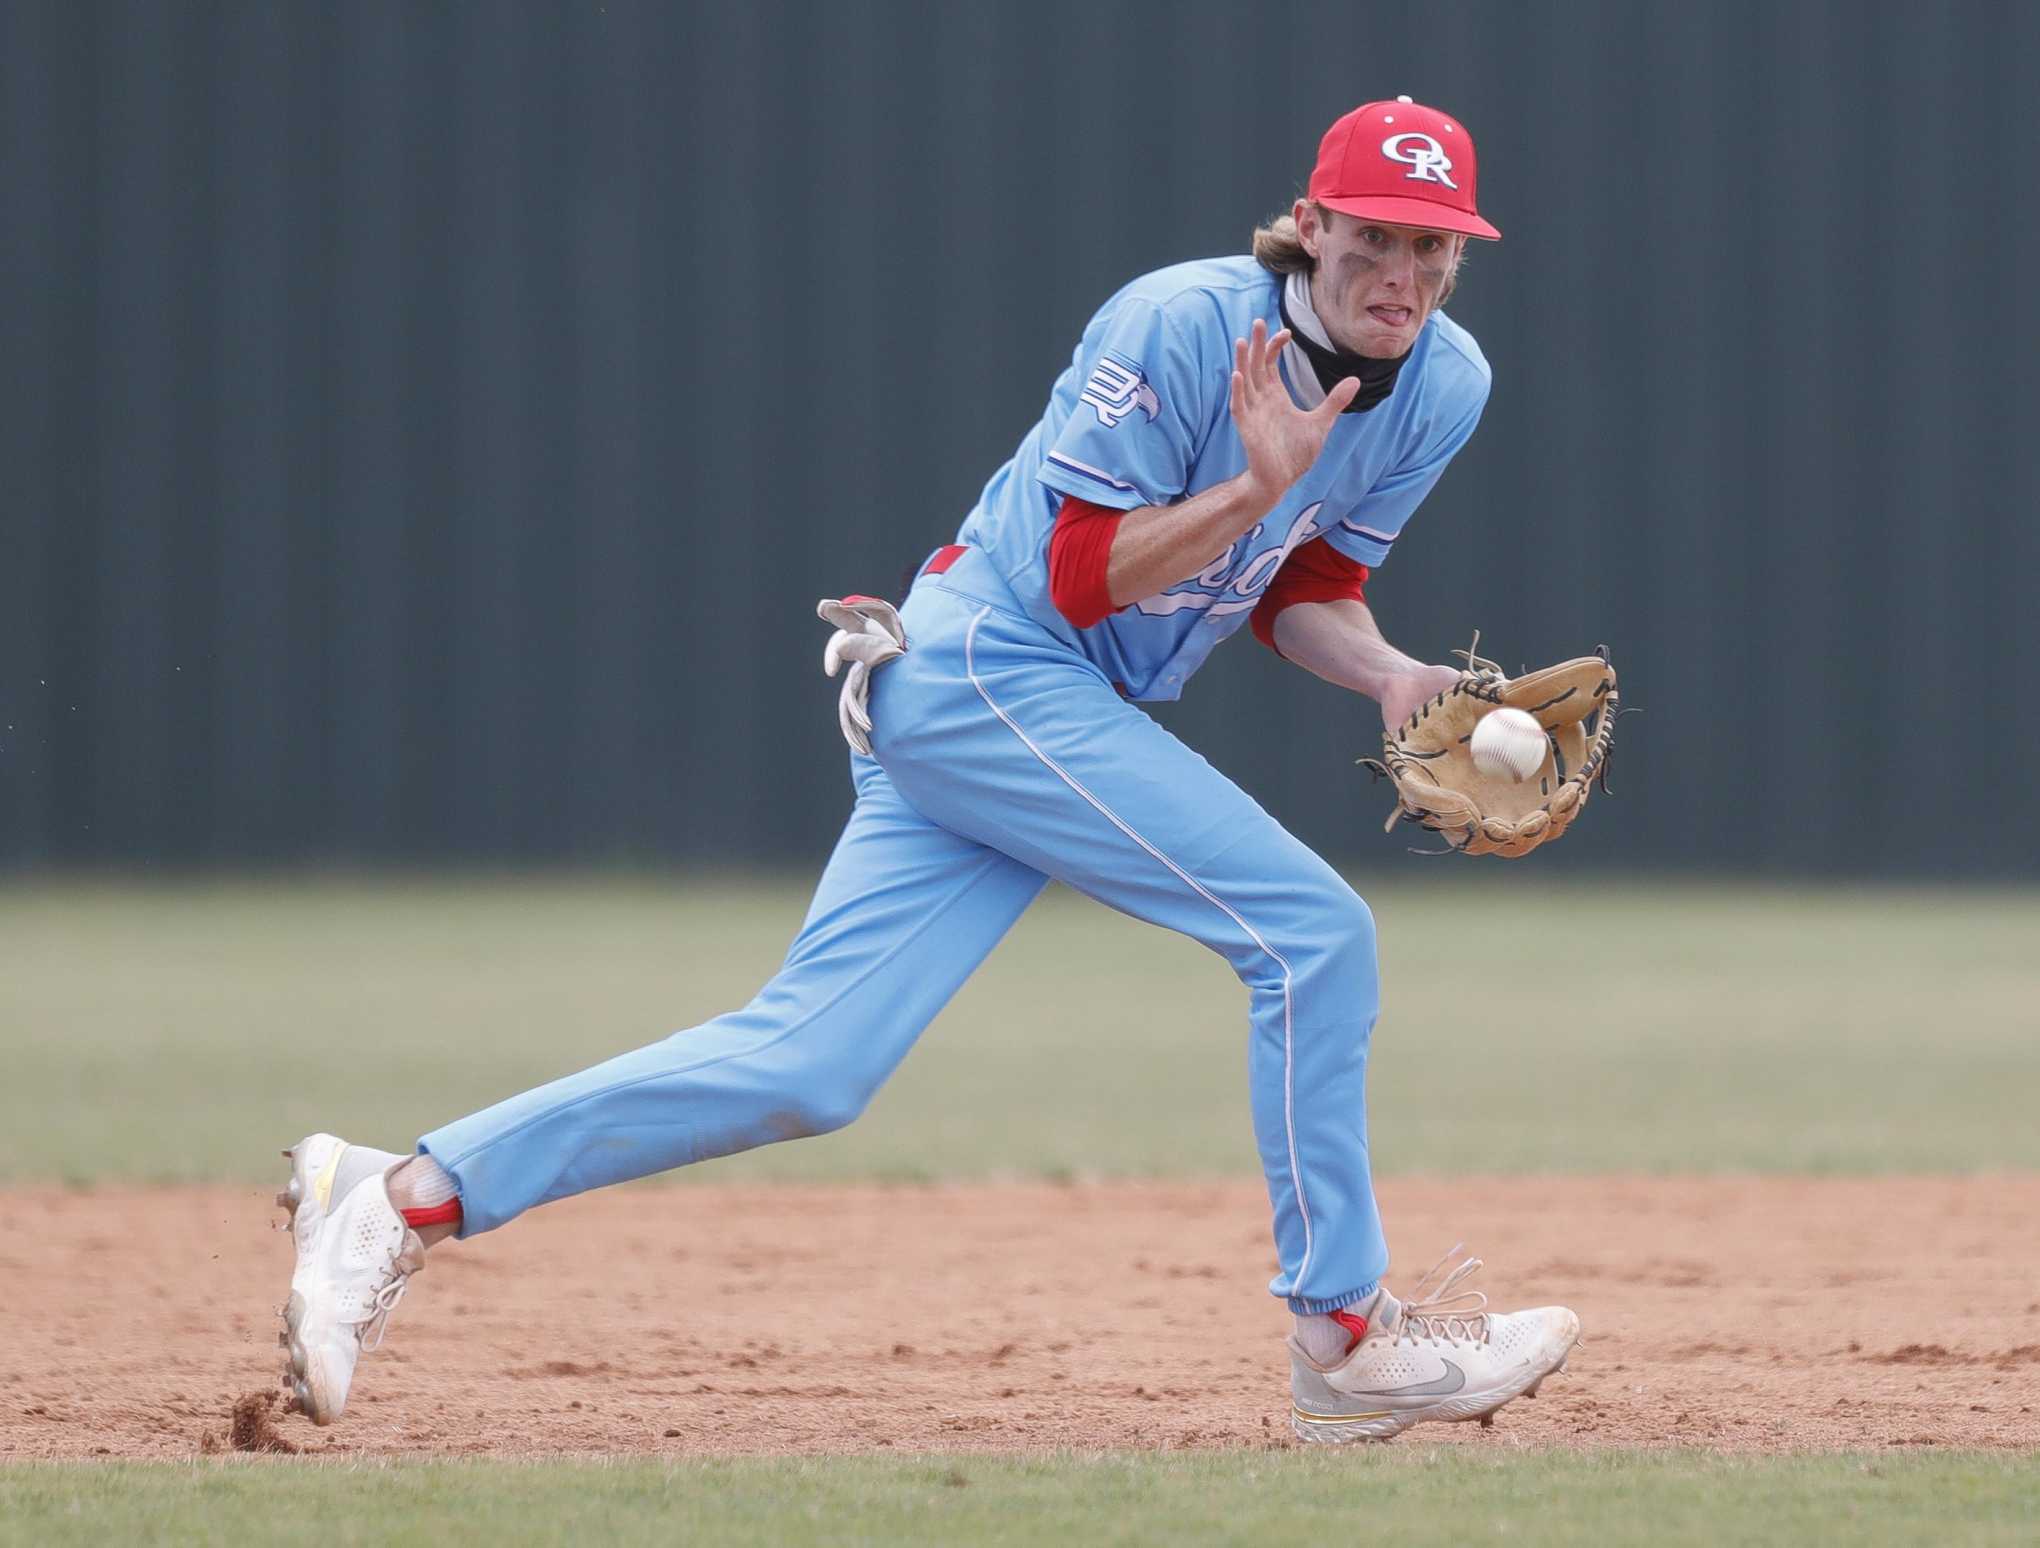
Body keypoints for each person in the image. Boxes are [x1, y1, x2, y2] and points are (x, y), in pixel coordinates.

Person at [277, 96, 1579, 1445]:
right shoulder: (1181, 326)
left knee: (809, 1067)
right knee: (1313, 937)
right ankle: (1347, 1340)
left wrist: (1389, 675)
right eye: (1376, 236)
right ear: (1309, 226)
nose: (1405, 276)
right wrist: (1252, 488)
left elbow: (1307, 584)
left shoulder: (1445, 380)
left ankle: (399, 1194)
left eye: (1436, 248)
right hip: (990, 666)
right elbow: (1083, 579)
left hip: (1033, 708)